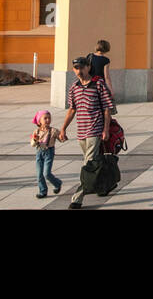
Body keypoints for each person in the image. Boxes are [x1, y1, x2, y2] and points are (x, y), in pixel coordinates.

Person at [60, 55, 115, 208]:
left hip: (94, 130)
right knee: (95, 163)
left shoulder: (99, 84)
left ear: (88, 67)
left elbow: (106, 108)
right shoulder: (74, 87)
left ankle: (77, 199)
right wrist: (63, 128)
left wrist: (105, 129)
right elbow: (72, 110)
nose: (79, 71)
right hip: (81, 132)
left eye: (82, 67)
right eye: (76, 68)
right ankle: (105, 184)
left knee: (88, 166)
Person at [30, 109, 64, 198]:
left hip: (49, 153)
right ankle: (43, 191)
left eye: (49, 118)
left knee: (46, 173)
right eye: (45, 118)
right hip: (39, 153)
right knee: (39, 174)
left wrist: (62, 136)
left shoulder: (53, 131)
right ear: (39, 121)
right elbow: (32, 144)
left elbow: (61, 139)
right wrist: (34, 139)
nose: (48, 120)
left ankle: (57, 183)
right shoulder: (36, 131)